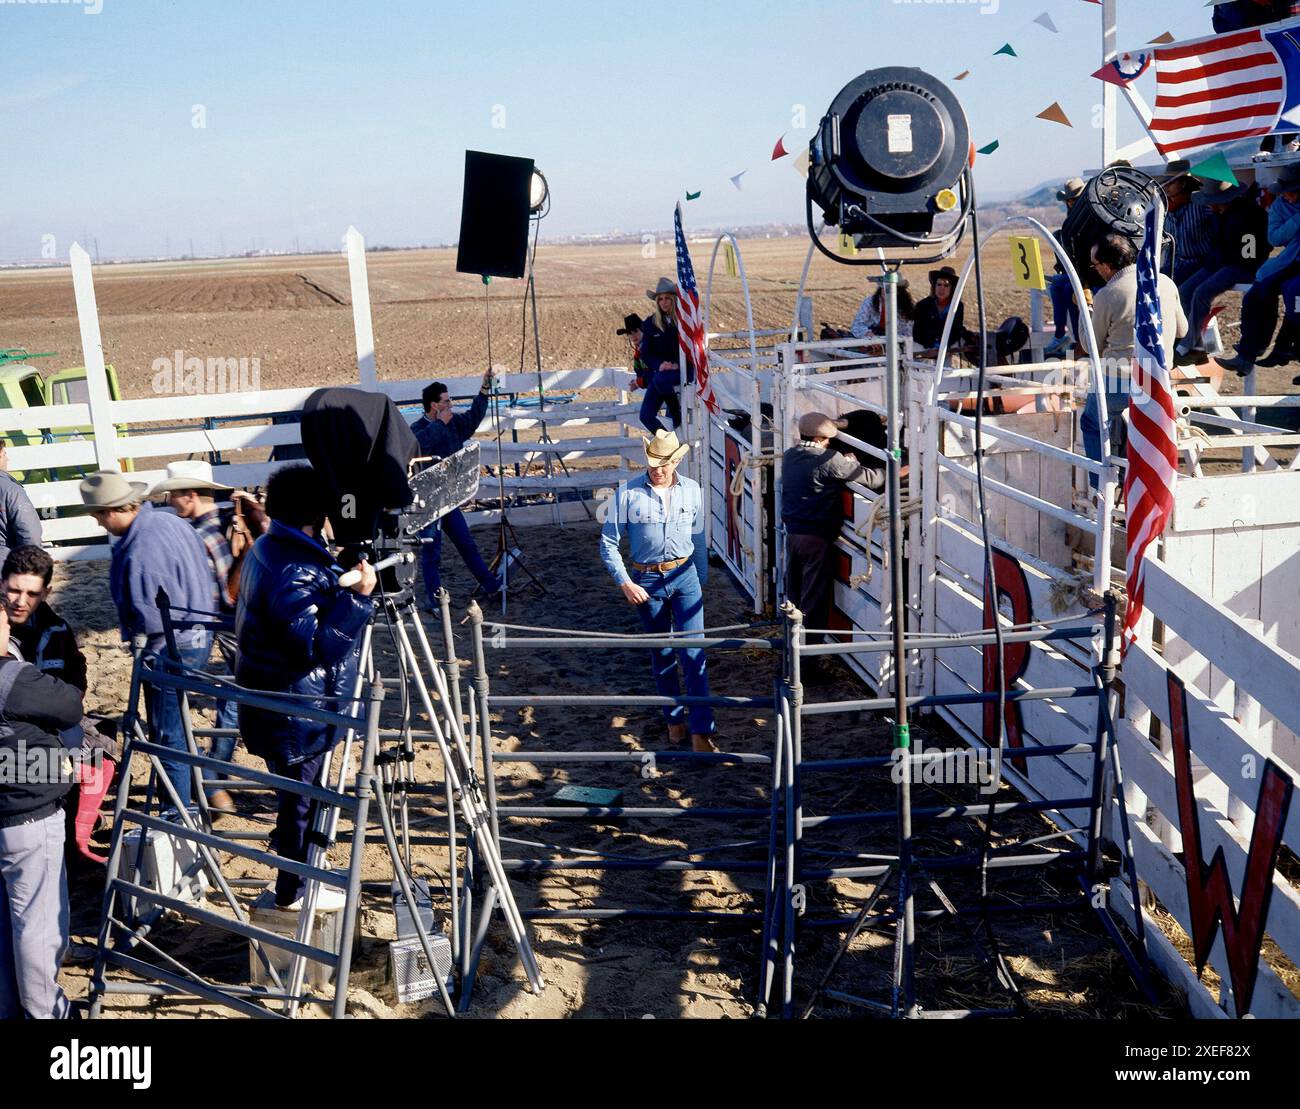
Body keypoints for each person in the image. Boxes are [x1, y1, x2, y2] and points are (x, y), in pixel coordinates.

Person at [235, 464, 376, 911]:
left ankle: (299, 876)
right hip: (297, 711)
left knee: (297, 799)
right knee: (300, 802)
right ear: (315, 512)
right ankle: (292, 891)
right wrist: (358, 599)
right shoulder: (294, 566)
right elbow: (316, 645)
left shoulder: (271, 546)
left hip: (284, 702)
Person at [79, 469, 217, 812]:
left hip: (169, 646)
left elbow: (151, 615)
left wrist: (138, 643)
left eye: (98, 515)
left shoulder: (142, 548)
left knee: (167, 734)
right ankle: (194, 797)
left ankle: (178, 813)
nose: (99, 523)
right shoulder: (171, 524)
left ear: (112, 510)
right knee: (178, 726)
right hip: (197, 634)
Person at [599, 429, 717, 753]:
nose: (657, 470)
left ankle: (701, 732)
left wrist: (700, 578)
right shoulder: (627, 494)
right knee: (662, 654)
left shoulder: (692, 490)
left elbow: (699, 536)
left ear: (675, 462)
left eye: (663, 464)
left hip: (685, 576)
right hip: (646, 581)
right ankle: (674, 721)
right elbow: (608, 543)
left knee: (694, 653)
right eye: (653, 463)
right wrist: (625, 582)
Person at [150, 460, 256, 814]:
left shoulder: (200, 533)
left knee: (229, 695)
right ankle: (214, 777)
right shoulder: (229, 518)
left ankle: (210, 778)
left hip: (214, 622)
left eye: (173, 495)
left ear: (190, 495)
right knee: (235, 696)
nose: (169, 501)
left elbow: (225, 591)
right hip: (232, 622)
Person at [0, 599, 86, 1018]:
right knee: (38, 926)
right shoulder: (13, 678)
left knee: (6, 926)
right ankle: (46, 1014)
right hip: (29, 814)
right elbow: (70, 703)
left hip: (9, 812)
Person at [2, 545, 115, 864]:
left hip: (46, 725)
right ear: (1, 583)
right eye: (13, 590)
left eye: (31, 593)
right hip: (12, 737)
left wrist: (67, 697)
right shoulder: (1, 628)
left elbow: (76, 673)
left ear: (46, 591)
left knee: (100, 749)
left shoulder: (56, 629)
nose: (20, 601)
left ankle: (79, 837)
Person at [781, 413, 886, 681]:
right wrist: (900, 466)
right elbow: (874, 479)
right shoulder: (829, 461)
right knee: (813, 604)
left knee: (793, 599)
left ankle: (788, 659)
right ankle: (807, 670)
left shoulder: (790, 456)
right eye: (828, 439)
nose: (829, 443)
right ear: (819, 439)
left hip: (793, 536)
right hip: (816, 539)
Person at [1079, 234, 1188, 470]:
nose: (1095, 270)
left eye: (1095, 265)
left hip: (1119, 381)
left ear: (1107, 266)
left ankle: (1102, 485)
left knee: (1091, 422)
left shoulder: (1108, 294)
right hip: (1159, 379)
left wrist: (1085, 309)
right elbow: (1183, 330)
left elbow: (1091, 346)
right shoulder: (1165, 282)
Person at [410, 372, 502, 607]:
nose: (450, 405)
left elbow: (474, 417)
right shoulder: (418, 430)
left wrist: (484, 390)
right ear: (434, 406)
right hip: (428, 504)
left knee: (467, 544)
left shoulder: (455, 424)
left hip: (449, 500)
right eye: (446, 401)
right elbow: (420, 446)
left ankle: (492, 586)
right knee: (432, 553)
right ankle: (433, 600)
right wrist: (441, 424)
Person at [1174, 179, 1270, 365]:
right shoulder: (1221, 214)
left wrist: (1224, 260)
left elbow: (1249, 254)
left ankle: (1189, 343)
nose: (1208, 204)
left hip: (1241, 267)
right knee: (1185, 291)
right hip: (1220, 263)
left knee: (1202, 292)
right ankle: (1194, 342)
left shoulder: (1248, 215)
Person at [1219, 167, 1300, 377]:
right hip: (1289, 262)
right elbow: (1274, 238)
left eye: (1290, 191)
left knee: (1296, 297)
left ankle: (1284, 347)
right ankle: (1249, 353)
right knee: (1257, 294)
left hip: (1290, 265)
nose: (1285, 195)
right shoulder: (1279, 206)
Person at [638, 277, 693, 433]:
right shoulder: (650, 323)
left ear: (674, 299)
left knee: (660, 379)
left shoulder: (684, 322)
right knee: (645, 416)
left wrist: (677, 363)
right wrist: (659, 364)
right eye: (660, 299)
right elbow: (645, 353)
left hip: (683, 368)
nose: (664, 302)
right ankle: (667, 443)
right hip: (662, 372)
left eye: (667, 298)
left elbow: (692, 347)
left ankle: (676, 414)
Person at [1045, 177, 1086, 359]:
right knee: (1056, 286)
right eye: (1068, 200)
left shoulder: (1088, 217)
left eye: (1073, 199)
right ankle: (1060, 333)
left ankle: (1079, 339)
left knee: (1070, 289)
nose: (1070, 203)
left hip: (1089, 270)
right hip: (1075, 270)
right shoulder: (1071, 219)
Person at [1160, 166, 1216, 286]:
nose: (1166, 187)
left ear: (1184, 183)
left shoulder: (1201, 205)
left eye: (1171, 183)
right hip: (1174, 265)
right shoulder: (1166, 209)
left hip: (1199, 263)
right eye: (1165, 183)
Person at [0, 438, 43, 570]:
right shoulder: (11, 490)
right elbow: (30, 533)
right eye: (4, 454)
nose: (7, 459)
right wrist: (33, 566)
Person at [912, 266, 968, 352]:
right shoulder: (922, 305)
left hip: (946, 350)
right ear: (934, 287)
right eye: (939, 284)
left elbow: (956, 330)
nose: (942, 288)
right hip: (923, 350)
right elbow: (917, 332)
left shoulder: (958, 306)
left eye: (946, 285)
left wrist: (945, 347)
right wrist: (931, 346)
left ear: (952, 289)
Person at [848, 281, 915, 341]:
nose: (886, 290)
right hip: (871, 341)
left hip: (898, 343)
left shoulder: (906, 306)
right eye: (884, 287)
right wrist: (867, 333)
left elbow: (909, 332)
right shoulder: (870, 302)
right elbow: (856, 325)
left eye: (891, 287)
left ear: (899, 291)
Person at [618, 312, 649, 390]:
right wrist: (638, 382)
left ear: (643, 331)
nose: (633, 336)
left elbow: (652, 375)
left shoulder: (650, 348)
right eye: (629, 333)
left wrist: (637, 383)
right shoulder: (637, 353)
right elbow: (640, 374)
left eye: (635, 331)